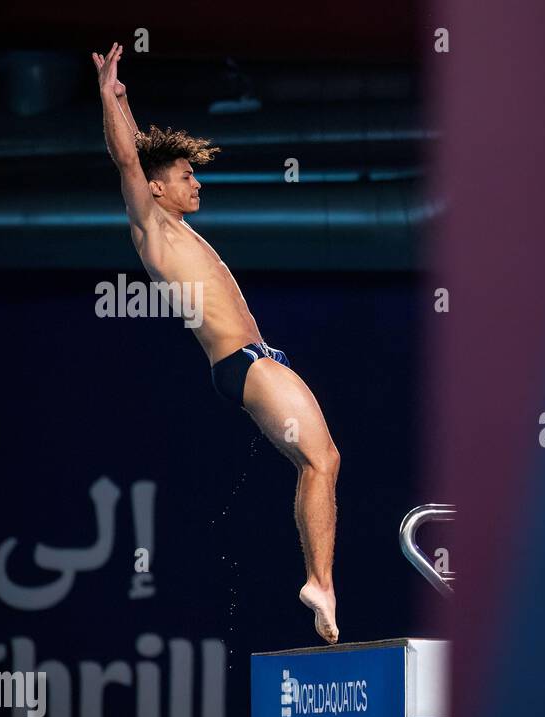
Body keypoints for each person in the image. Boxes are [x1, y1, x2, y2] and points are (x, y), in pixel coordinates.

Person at [94, 43, 340, 644]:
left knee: (321, 461)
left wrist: (124, 102)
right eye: (185, 177)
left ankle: (321, 583)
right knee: (321, 461)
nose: (196, 182)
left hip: (257, 360)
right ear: (156, 190)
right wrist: (106, 95)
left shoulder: (174, 227)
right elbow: (129, 163)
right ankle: (318, 582)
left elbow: (140, 154)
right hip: (242, 364)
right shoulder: (151, 229)